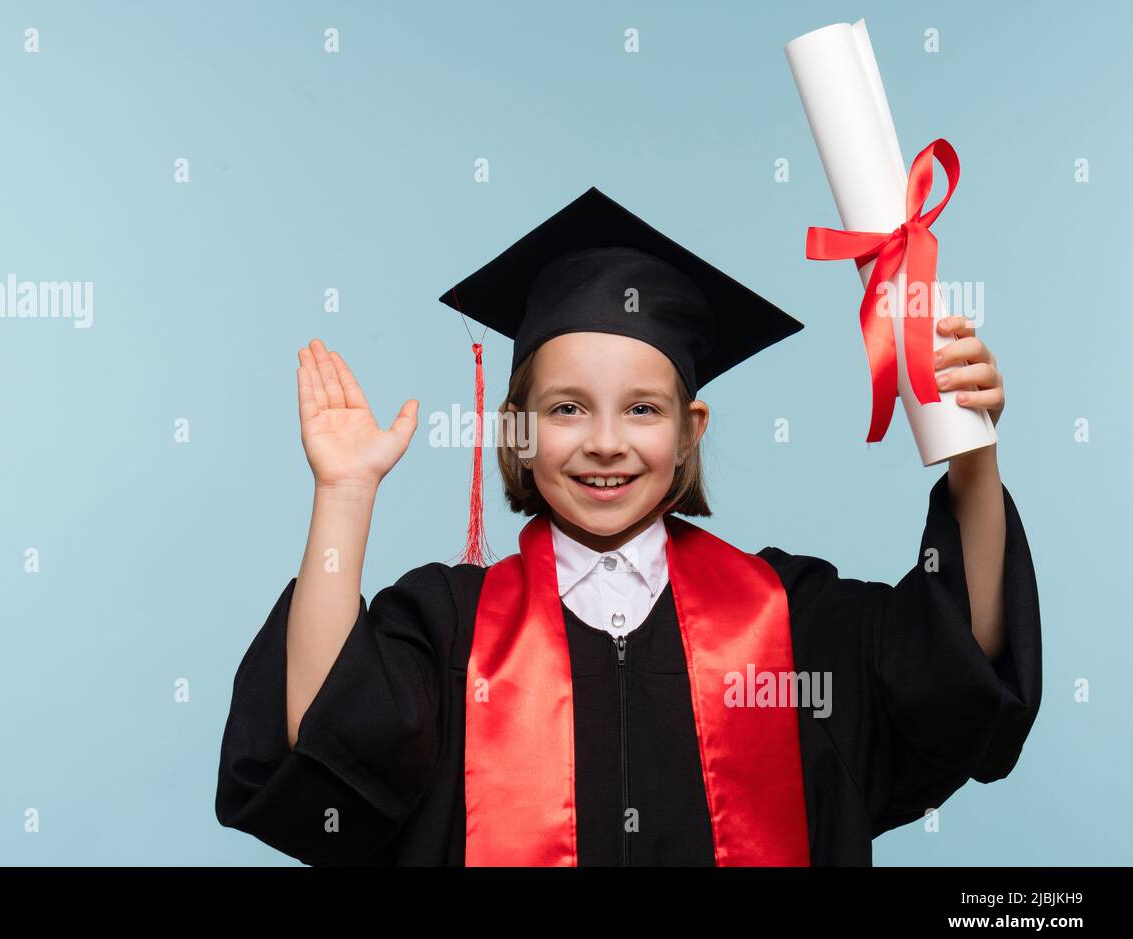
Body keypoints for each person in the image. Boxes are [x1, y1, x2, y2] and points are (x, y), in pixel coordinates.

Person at [214, 187, 1041, 866]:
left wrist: (970, 452)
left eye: (643, 410)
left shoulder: (789, 619)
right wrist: (346, 490)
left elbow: (957, 664)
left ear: (690, 431)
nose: (605, 442)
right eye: (566, 408)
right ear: (519, 432)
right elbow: (324, 743)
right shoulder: (447, 626)